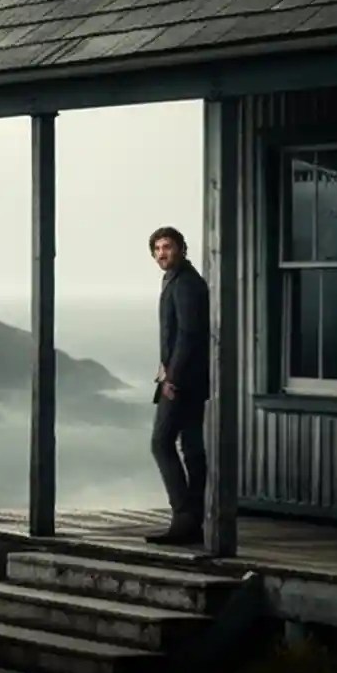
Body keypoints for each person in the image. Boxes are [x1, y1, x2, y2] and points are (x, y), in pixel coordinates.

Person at [145, 226, 210, 545]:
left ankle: (185, 517)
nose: (161, 253)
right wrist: (163, 367)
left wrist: (172, 378)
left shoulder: (186, 283)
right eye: (156, 248)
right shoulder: (176, 279)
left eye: (167, 247)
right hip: (185, 377)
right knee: (192, 447)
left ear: (182, 249)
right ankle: (193, 519)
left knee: (161, 442)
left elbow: (189, 334)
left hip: (184, 380)